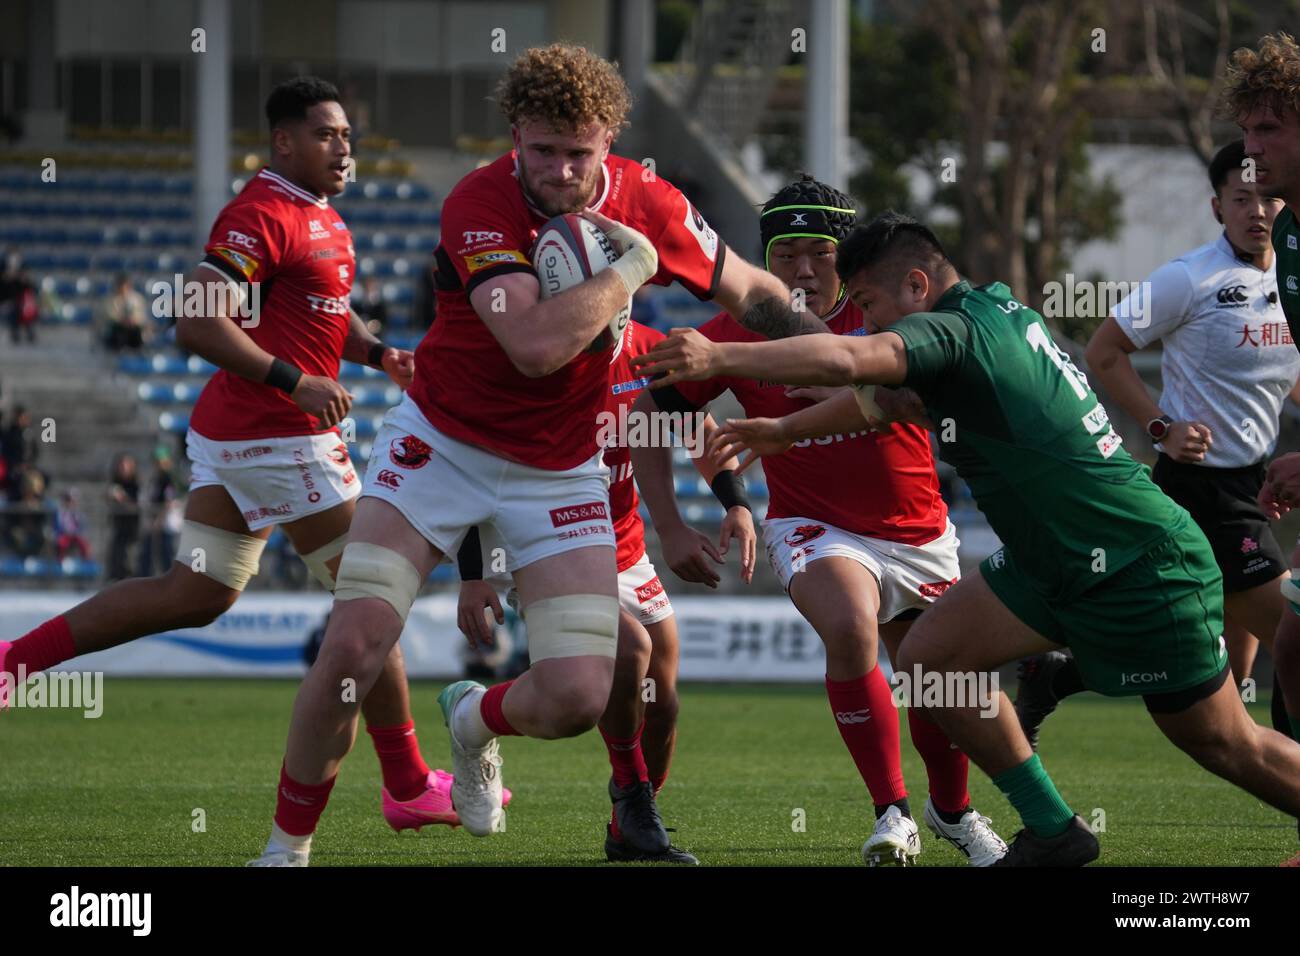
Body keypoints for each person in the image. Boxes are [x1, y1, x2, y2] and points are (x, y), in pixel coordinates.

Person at [250, 44, 823, 867]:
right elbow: (531, 347)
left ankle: (473, 718)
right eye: (541, 150)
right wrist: (629, 270)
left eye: (578, 153)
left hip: (559, 466)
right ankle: (282, 854)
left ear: (611, 140)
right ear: (514, 133)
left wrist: (852, 355)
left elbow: (756, 295)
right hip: (440, 442)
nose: (558, 171)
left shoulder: (651, 200)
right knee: (353, 646)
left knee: (578, 699)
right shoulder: (477, 202)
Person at [636, 211, 1300, 866]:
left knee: (1222, 742)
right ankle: (1051, 829)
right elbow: (889, 400)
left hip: (1134, 557)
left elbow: (848, 359)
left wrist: (718, 353)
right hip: (1052, 557)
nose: (865, 320)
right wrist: (783, 433)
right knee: (929, 662)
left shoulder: (945, 331)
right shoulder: (995, 309)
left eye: (868, 302)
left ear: (918, 287)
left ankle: (1061, 680)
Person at [0, 77, 463, 838]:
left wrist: (377, 353)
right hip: (279, 436)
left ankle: (16, 659)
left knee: (196, 594)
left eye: (347, 134)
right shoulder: (261, 211)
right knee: (374, 605)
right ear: (284, 142)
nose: (342, 147)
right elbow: (195, 319)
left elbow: (320, 308)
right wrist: (294, 381)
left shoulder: (323, 219)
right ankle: (410, 783)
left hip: (240, 436)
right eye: (325, 134)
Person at [632, 176, 1007, 866]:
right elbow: (656, 410)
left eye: (819, 252)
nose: (802, 269)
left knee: (939, 684)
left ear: (849, 255)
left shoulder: (887, 319)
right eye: (784, 254)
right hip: (814, 527)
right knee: (847, 623)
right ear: (765, 260)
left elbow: (937, 394)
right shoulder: (741, 328)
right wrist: (704, 514)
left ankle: (952, 811)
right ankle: (892, 812)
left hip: (920, 532)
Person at [1015, 140, 1300, 748]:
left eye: (1270, 197)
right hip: (1206, 490)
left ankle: (1059, 677)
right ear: (1216, 205)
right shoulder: (1188, 278)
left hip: (1255, 483)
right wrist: (1162, 428)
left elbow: (1283, 375)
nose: (1259, 211)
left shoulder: (1291, 276)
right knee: (1292, 639)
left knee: (1223, 675)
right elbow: (1102, 351)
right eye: (1242, 198)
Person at [457, 318, 757, 864]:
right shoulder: (531, 350)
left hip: (620, 540)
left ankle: (631, 821)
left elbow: (699, 429)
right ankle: (632, 797)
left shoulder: (650, 349)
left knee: (660, 701)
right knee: (628, 651)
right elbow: (473, 463)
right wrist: (472, 572)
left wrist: (735, 500)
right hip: (539, 539)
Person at [1225, 31, 1300, 790]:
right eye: (1247, 129)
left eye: (1271, 127)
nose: (1251, 146)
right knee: (1297, 646)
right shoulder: (1287, 236)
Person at [104, 453, 140, 581]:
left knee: (130, 562)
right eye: (121, 465)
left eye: (126, 465)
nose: (123, 468)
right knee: (115, 560)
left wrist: (123, 498)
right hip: (118, 528)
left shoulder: (136, 485)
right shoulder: (116, 483)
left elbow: (138, 506)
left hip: (133, 530)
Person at [99, 275, 150, 352]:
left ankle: (137, 355)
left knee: (137, 333)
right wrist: (122, 320)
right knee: (118, 335)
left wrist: (134, 320)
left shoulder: (137, 299)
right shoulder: (109, 300)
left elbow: (141, 315)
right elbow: (110, 315)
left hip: (134, 328)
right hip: (116, 328)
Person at [54, 489, 91, 561]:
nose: (70, 503)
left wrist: (77, 532)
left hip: (76, 535)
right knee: (61, 543)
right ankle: (60, 561)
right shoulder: (60, 513)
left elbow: (82, 526)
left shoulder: (79, 514)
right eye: (68, 500)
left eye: (72, 500)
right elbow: (59, 526)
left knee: (84, 544)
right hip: (64, 534)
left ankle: (86, 562)